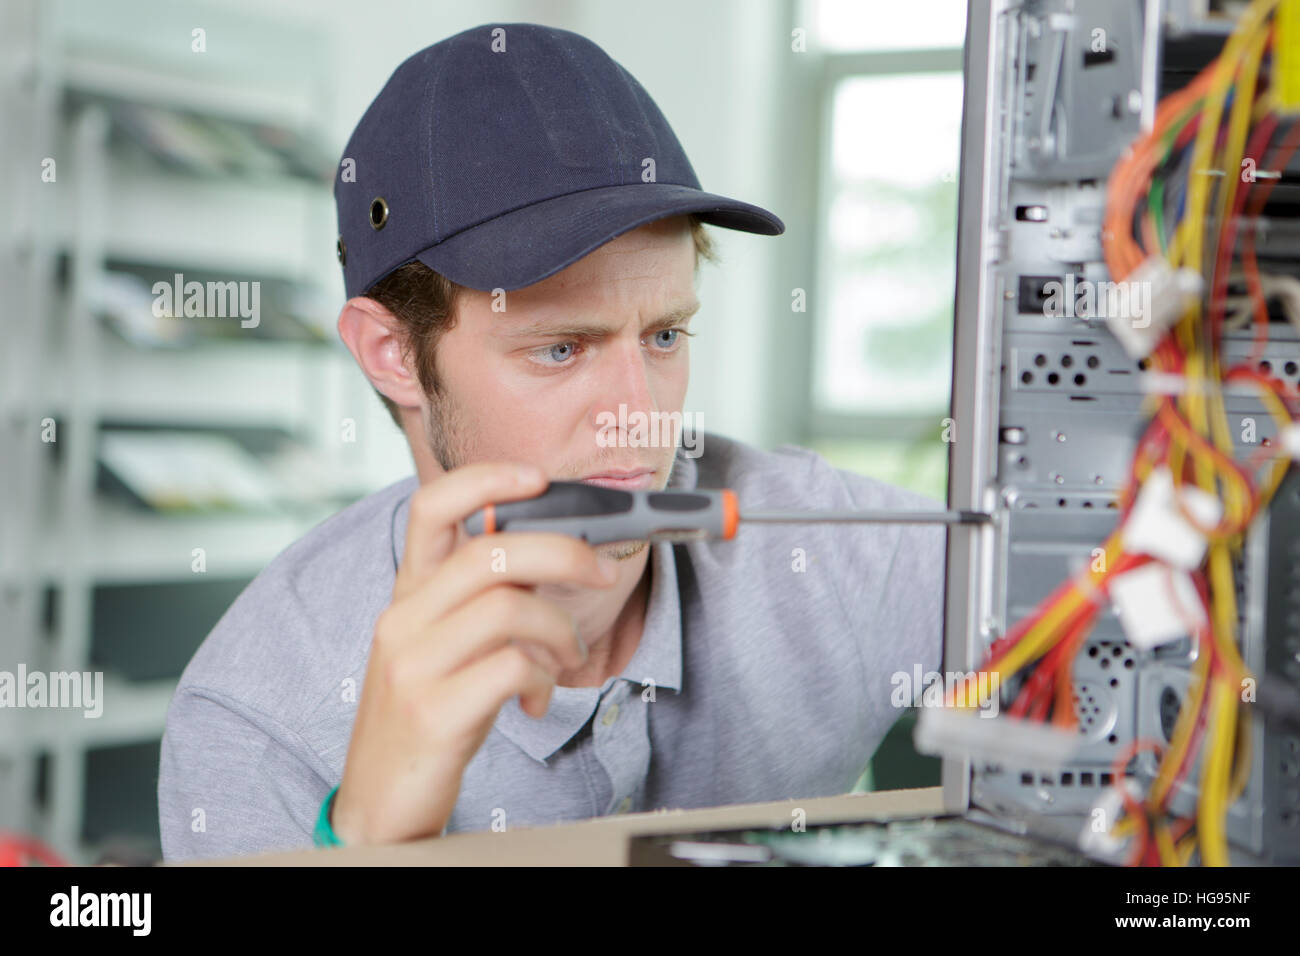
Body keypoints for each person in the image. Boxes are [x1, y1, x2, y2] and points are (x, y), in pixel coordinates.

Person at [157, 22, 945, 862]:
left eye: (666, 337)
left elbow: (1089, 603)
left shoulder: (815, 541)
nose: (639, 415)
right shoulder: (258, 720)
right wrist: (368, 842)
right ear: (393, 356)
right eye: (561, 348)